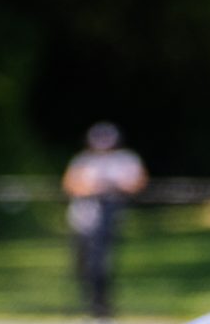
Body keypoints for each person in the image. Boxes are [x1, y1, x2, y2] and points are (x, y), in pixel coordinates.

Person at [62, 122, 148, 320]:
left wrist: (115, 186)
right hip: (83, 218)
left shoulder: (125, 160)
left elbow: (138, 182)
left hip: (108, 219)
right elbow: (70, 184)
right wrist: (93, 188)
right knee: (82, 265)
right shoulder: (83, 160)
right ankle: (89, 303)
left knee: (100, 263)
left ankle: (101, 307)